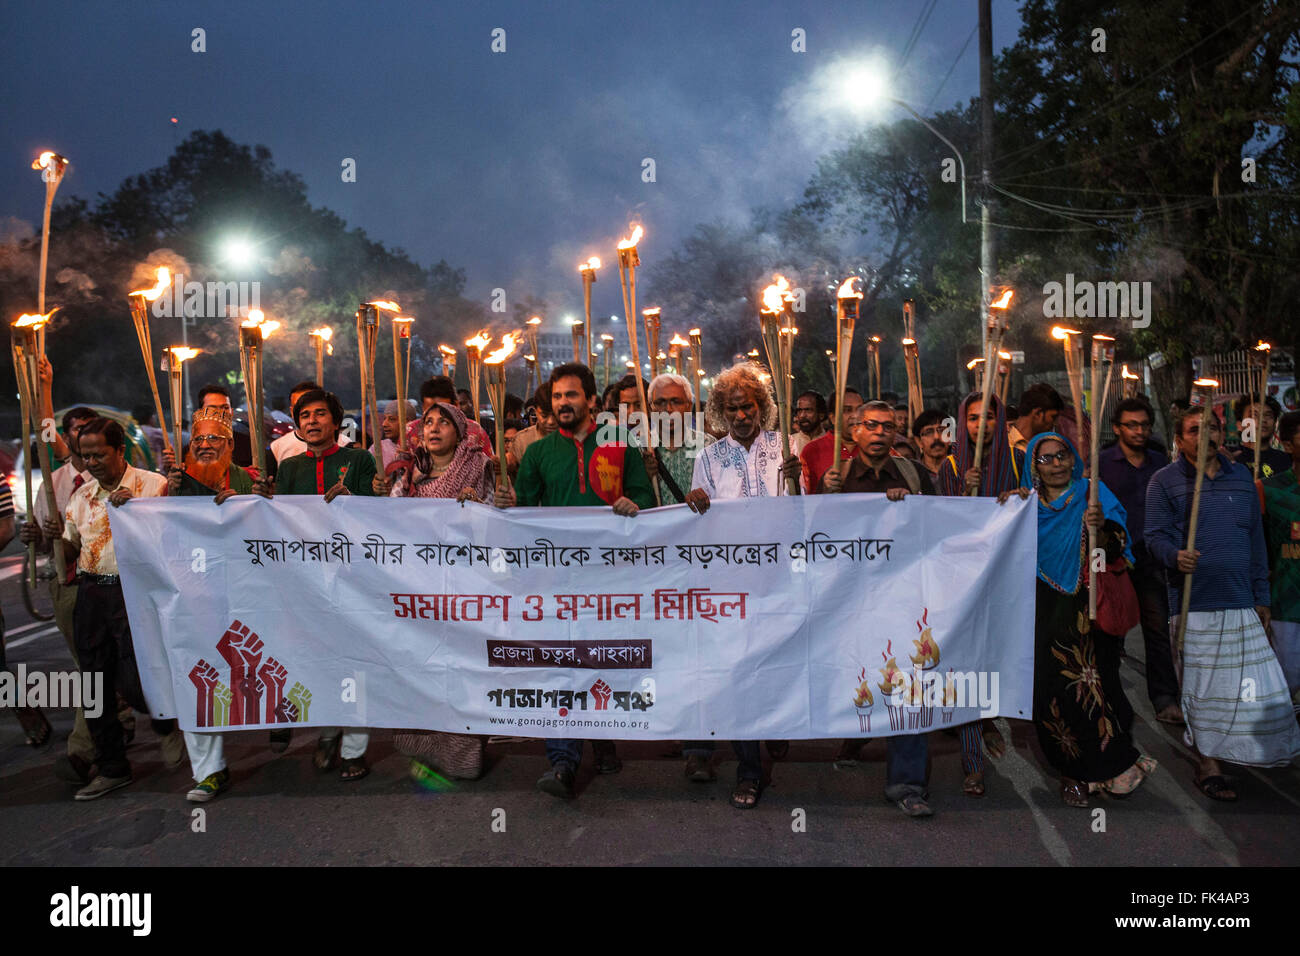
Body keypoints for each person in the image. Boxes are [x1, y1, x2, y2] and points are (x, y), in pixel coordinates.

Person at [494, 363, 656, 797]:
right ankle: (563, 761)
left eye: (571, 395)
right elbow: (523, 512)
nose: (562, 403)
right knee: (563, 661)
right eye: (557, 397)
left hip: (611, 579)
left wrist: (631, 504)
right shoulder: (539, 454)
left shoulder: (622, 445)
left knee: (600, 657)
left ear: (592, 401)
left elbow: (645, 501)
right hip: (557, 580)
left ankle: (601, 738)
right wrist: (506, 502)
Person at [1145, 404, 1300, 801]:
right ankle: (1208, 763)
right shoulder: (1164, 482)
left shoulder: (1243, 481)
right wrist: (1173, 556)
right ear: (1180, 440)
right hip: (1193, 603)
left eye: (1212, 428)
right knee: (1201, 686)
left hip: (1241, 600)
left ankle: (1242, 751)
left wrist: (1261, 597)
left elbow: (1255, 545)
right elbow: (1154, 536)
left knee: (1250, 687)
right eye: (1195, 429)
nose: (1207, 435)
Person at [39, 417, 181, 800]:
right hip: (91, 592)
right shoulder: (81, 496)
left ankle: (166, 722)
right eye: (85, 456)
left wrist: (137, 514)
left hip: (134, 591)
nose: (92, 463)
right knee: (94, 683)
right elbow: (69, 549)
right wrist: (44, 540)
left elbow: (173, 540)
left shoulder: (153, 486)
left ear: (120, 451)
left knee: (135, 681)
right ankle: (113, 766)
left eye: (99, 454)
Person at [1017, 431, 1156, 806]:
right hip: (1041, 610)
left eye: (1062, 455)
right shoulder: (1023, 505)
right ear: (1033, 466)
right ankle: (1072, 772)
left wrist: (1099, 528)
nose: (1056, 463)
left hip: (1088, 608)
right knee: (1050, 694)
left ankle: (1108, 766)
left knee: (1097, 688)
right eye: (1045, 459)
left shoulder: (1092, 493)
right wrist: (1001, 505)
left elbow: (1116, 548)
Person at [685, 363, 801, 809]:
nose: (739, 416)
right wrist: (695, 502)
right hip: (731, 585)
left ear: (762, 407)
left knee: (774, 667)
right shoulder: (708, 459)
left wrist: (796, 479)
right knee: (737, 674)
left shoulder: (786, 447)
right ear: (719, 410)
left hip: (779, 581)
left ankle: (775, 727)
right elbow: (702, 523)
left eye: (747, 406)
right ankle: (749, 770)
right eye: (730, 408)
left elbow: (804, 517)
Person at [821, 400, 938, 817]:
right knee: (852, 679)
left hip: (904, 599)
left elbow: (943, 525)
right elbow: (813, 536)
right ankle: (844, 746)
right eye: (870, 425)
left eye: (888, 427)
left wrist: (909, 509)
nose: (879, 432)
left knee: (908, 687)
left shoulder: (915, 476)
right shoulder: (834, 480)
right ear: (854, 431)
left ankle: (908, 784)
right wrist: (822, 494)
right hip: (847, 601)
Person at [377, 401, 496, 783]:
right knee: (423, 668)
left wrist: (479, 511)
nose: (434, 428)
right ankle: (426, 743)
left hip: (464, 589)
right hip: (419, 590)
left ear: (460, 434)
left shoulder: (479, 469)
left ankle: (464, 753)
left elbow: (495, 529)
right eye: (428, 422)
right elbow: (389, 526)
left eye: (445, 422)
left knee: (460, 669)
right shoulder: (408, 476)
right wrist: (379, 497)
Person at [268, 389, 378, 780]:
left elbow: (379, 516)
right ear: (297, 427)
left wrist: (355, 498)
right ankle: (328, 730)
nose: (311, 422)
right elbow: (279, 523)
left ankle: (354, 748)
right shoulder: (290, 468)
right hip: (307, 580)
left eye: (319, 415)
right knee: (319, 660)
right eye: (304, 417)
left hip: (354, 577)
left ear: (336, 421)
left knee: (356, 661)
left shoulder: (360, 459)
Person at [165, 406, 271, 802]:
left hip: (248, 593)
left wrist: (254, 504)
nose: (206, 446)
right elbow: (154, 529)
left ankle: (286, 721)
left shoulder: (249, 480)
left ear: (230, 446)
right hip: (194, 594)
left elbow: (270, 533)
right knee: (198, 675)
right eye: (199, 440)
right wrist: (142, 502)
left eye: (215, 440)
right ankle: (209, 771)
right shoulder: (174, 484)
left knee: (271, 663)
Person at [934, 391, 1024, 796]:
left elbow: (1041, 508)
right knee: (967, 669)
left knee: (1004, 664)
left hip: (1010, 584)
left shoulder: (1021, 465)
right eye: (972, 418)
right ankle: (972, 762)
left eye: (988, 417)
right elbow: (940, 525)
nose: (980, 425)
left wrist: (1023, 499)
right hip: (965, 585)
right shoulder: (952, 466)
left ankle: (992, 721)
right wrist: (960, 493)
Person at [21, 405, 99, 780]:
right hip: (66, 583)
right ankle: (106, 724)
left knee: (96, 665)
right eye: (75, 430)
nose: (82, 436)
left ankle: (83, 745)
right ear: (66, 438)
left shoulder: (112, 478)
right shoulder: (52, 484)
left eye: (89, 428)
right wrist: (35, 538)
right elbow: (38, 538)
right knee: (87, 665)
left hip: (105, 582)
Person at [1099, 396, 1182, 723]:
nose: (1139, 431)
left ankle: (1164, 697)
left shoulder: (1160, 462)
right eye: (1131, 425)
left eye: (1144, 425)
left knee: (1158, 629)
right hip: (1114, 559)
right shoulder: (1102, 463)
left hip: (1150, 558)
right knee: (1108, 630)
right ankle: (1106, 695)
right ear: (1118, 428)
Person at [1261, 410, 1300, 707]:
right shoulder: (1268, 490)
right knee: (1286, 680)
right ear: (1287, 445)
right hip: (1286, 603)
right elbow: (1257, 548)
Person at [643, 372, 715, 504]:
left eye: (676, 402)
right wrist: (643, 476)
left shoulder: (708, 445)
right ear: (650, 408)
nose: (668, 409)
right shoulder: (641, 449)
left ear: (688, 406)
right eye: (660, 402)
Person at [271, 380, 353, 463]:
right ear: (292, 412)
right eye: (304, 413)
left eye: (320, 413)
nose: (312, 420)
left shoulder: (346, 445)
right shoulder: (277, 448)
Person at [800, 387, 863, 494]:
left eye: (860, 410)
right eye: (847, 410)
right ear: (833, 418)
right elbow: (803, 498)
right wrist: (824, 489)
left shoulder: (875, 448)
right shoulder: (812, 451)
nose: (855, 416)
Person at [1228, 393, 1289, 478]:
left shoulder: (1285, 461)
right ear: (1239, 425)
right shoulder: (1230, 457)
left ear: (1275, 424)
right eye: (1254, 415)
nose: (1262, 420)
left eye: (1268, 415)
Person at [507, 383, 554, 477]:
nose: (550, 422)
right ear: (535, 411)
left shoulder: (573, 437)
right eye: (544, 416)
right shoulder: (522, 440)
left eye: (555, 415)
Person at [1008, 383, 1064, 453]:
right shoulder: (1003, 446)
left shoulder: (1051, 446)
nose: (1055, 423)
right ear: (1037, 413)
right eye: (1053, 417)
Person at [910, 409, 952, 482]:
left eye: (942, 430)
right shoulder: (911, 472)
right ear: (919, 441)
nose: (936, 437)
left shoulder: (961, 469)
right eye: (929, 432)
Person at [790, 389, 828, 457]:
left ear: (821, 415)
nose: (802, 415)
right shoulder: (790, 443)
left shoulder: (833, 443)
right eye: (799, 411)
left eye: (808, 410)